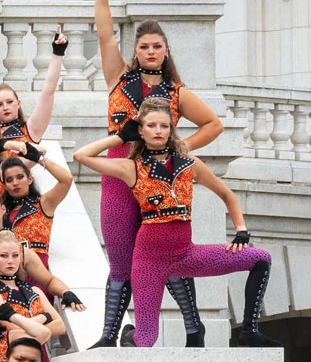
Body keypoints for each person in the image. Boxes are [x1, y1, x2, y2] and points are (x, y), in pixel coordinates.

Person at [88, 0, 229, 347]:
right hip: (119, 175)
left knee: (169, 254)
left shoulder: (176, 91)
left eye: (156, 46)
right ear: (136, 51)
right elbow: (104, 36)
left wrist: (180, 150)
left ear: (166, 52)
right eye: (144, 46)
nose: (150, 51)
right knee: (120, 258)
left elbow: (213, 125)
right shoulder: (120, 77)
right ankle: (108, 335)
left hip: (162, 178)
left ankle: (193, 328)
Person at [73, 98, 276, 348]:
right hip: (148, 261)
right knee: (146, 340)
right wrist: (119, 138)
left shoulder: (189, 164)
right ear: (141, 130)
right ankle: (129, 335)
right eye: (151, 126)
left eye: (164, 126)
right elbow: (81, 155)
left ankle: (249, 331)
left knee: (260, 258)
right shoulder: (130, 167)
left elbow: (227, 195)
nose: (158, 131)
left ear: (171, 130)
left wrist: (241, 230)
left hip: (186, 254)